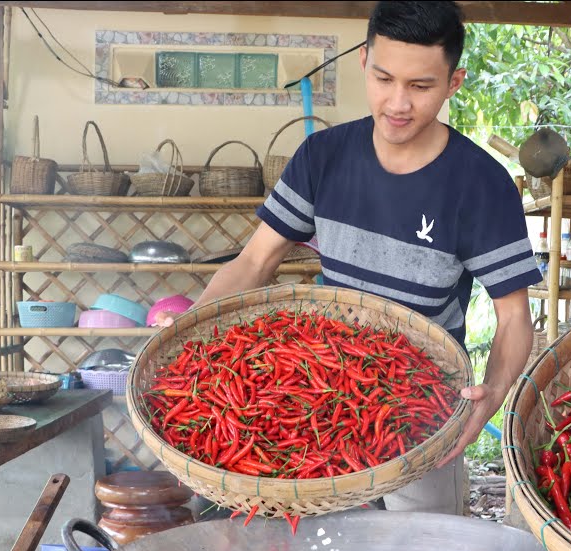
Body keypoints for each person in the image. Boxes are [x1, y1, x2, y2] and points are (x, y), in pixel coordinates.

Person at [153, 1, 543, 516]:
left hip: (423, 408)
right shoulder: (323, 156)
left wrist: (493, 391)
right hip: (323, 397)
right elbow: (253, 264)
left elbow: (514, 317)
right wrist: (184, 338)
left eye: (421, 86)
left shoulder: (481, 185)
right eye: (383, 78)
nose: (397, 103)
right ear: (363, 62)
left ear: (454, 83)